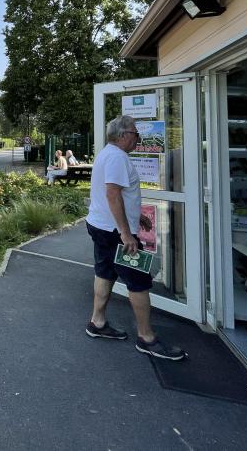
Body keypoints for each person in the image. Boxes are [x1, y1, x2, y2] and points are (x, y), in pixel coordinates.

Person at [84, 115, 185, 360]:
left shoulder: (108, 154)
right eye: (134, 133)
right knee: (138, 282)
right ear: (122, 136)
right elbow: (112, 195)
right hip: (115, 233)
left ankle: (97, 322)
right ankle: (147, 338)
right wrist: (126, 232)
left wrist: (135, 214)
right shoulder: (117, 158)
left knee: (104, 272)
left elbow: (117, 194)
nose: (138, 138)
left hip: (101, 226)